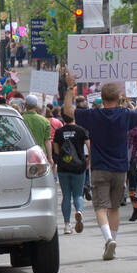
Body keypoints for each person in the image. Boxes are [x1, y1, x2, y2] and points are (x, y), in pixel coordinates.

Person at [67, 73, 137, 260]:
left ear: (102, 97)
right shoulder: (126, 115)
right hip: (120, 168)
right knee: (114, 208)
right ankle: (113, 240)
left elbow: (68, 110)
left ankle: (108, 240)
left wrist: (69, 88)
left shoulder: (92, 115)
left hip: (99, 167)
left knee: (100, 207)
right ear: (119, 97)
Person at [53, 87, 90, 234]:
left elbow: (56, 150)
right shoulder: (81, 130)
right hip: (79, 166)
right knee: (78, 194)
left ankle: (67, 225)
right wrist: (88, 162)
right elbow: (89, 147)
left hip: (63, 168)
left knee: (66, 195)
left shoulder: (59, 132)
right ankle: (79, 211)